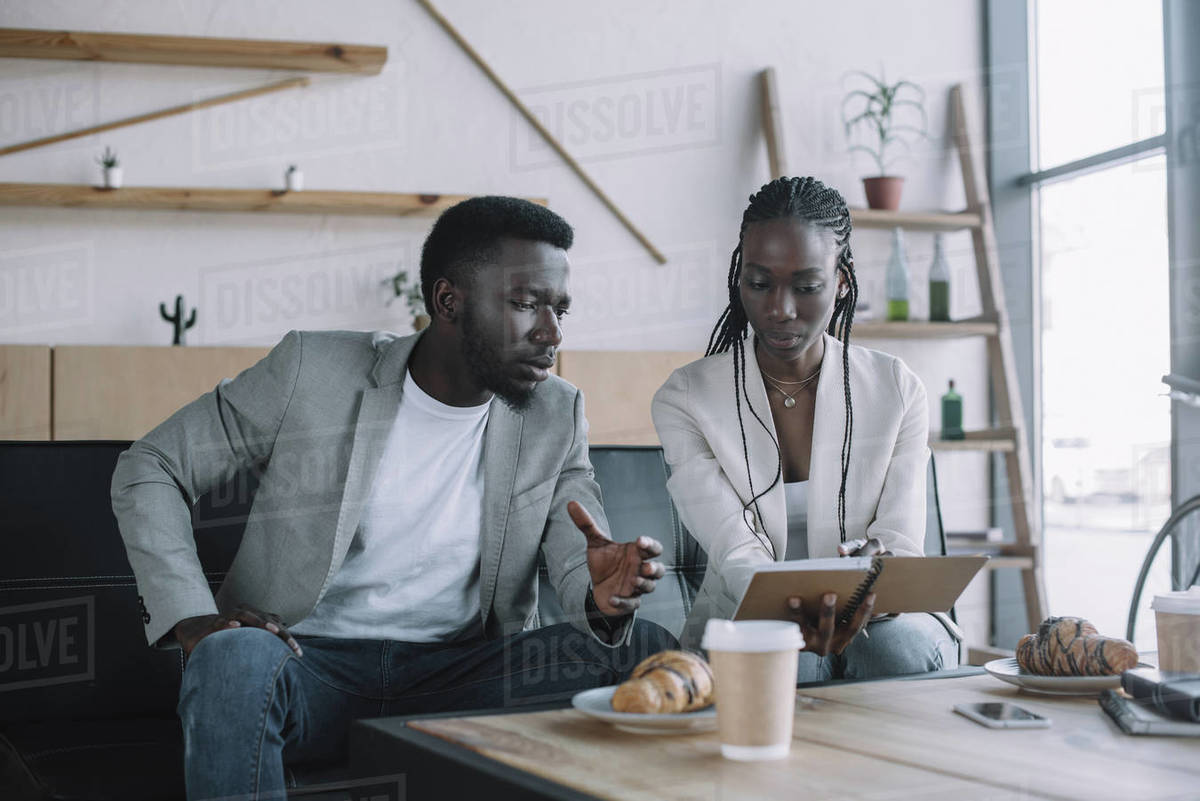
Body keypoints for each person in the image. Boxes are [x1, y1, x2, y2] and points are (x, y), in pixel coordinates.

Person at [111, 196, 676, 800]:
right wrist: (194, 616)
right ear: (448, 301)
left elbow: (578, 555)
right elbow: (153, 464)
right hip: (303, 664)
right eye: (524, 304)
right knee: (231, 661)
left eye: (560, 309)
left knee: (643, 652)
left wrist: (603, 598)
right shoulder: (313, 369)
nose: (551, 332)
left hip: (462, 677)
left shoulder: (556, 412)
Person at [651, 177, 957, 680]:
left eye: (806, 286)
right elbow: (735, 549)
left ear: (841, 282)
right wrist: (800, 617)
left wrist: (875, 567)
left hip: (877, 618)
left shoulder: (896, 388)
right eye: (759, 283)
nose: (779, 309)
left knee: (895, 651)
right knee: (791, 664)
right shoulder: (686, 397)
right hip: (748, 620)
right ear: (738, 278)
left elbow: (900, 544)